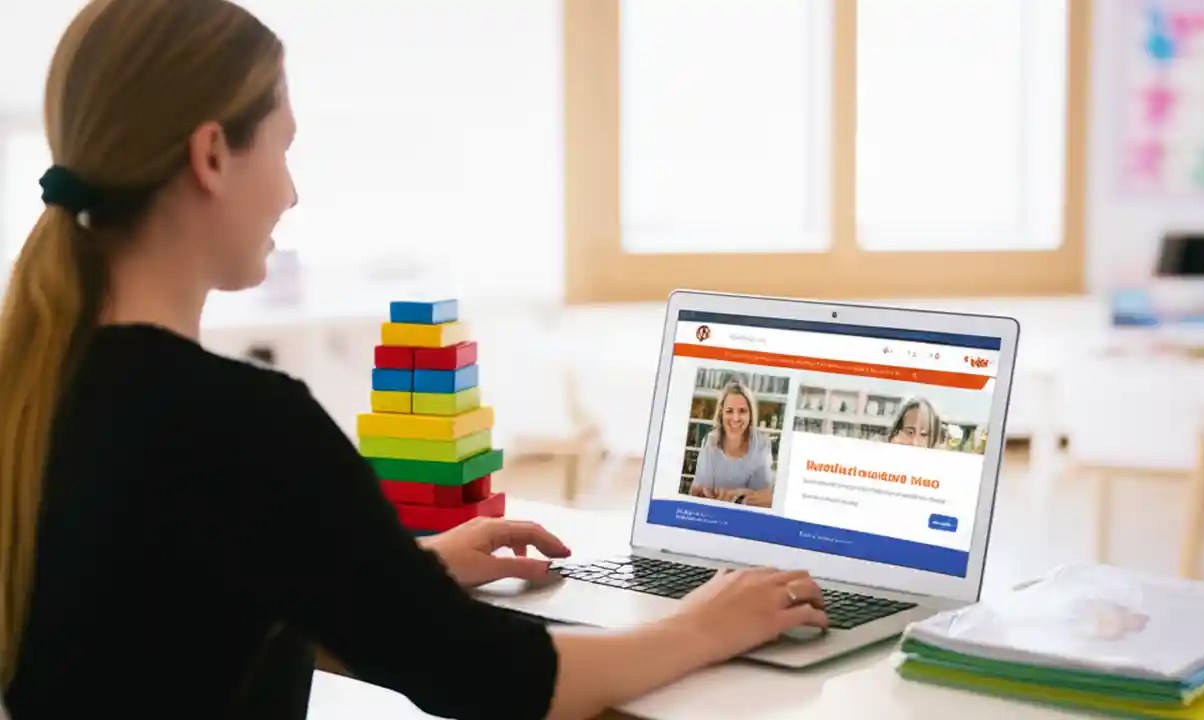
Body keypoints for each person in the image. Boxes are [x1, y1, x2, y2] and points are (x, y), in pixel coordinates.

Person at [0, 2, 828, 718]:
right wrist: (709, 623)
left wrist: (405, 573)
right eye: (284, 149)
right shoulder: (241, 427)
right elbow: (503, 683)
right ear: (211, 155)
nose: (291, 192)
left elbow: (167, 610)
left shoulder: (38, 387)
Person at [689, 381, 775, 507]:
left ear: (750, 415)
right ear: (721, 414)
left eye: (742, 411)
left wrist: (738, 496)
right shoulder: (710, 442)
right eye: (729, 411)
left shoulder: (761, 445)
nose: (736, 418)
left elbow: (763, 496)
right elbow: (698, 490)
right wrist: (705, 493)